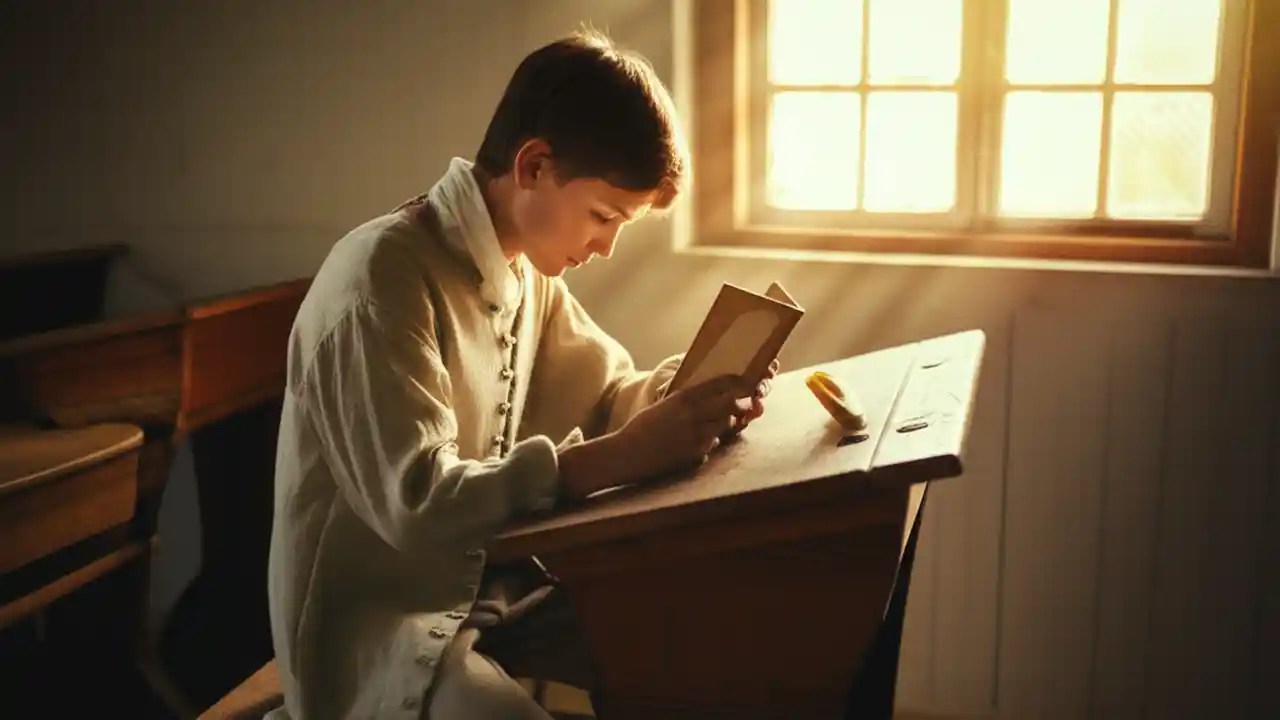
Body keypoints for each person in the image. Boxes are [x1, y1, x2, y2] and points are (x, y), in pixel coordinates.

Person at [265, 28, 778, 719]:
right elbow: (419, 505)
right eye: (602, 216)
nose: (604, 246)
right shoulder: (380, 277)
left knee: (690, 649)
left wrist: (695, 395)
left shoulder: (523, 271)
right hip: (381, 630)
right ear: (534, 165)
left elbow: (608, 395)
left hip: (491, 589)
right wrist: (620, 454)